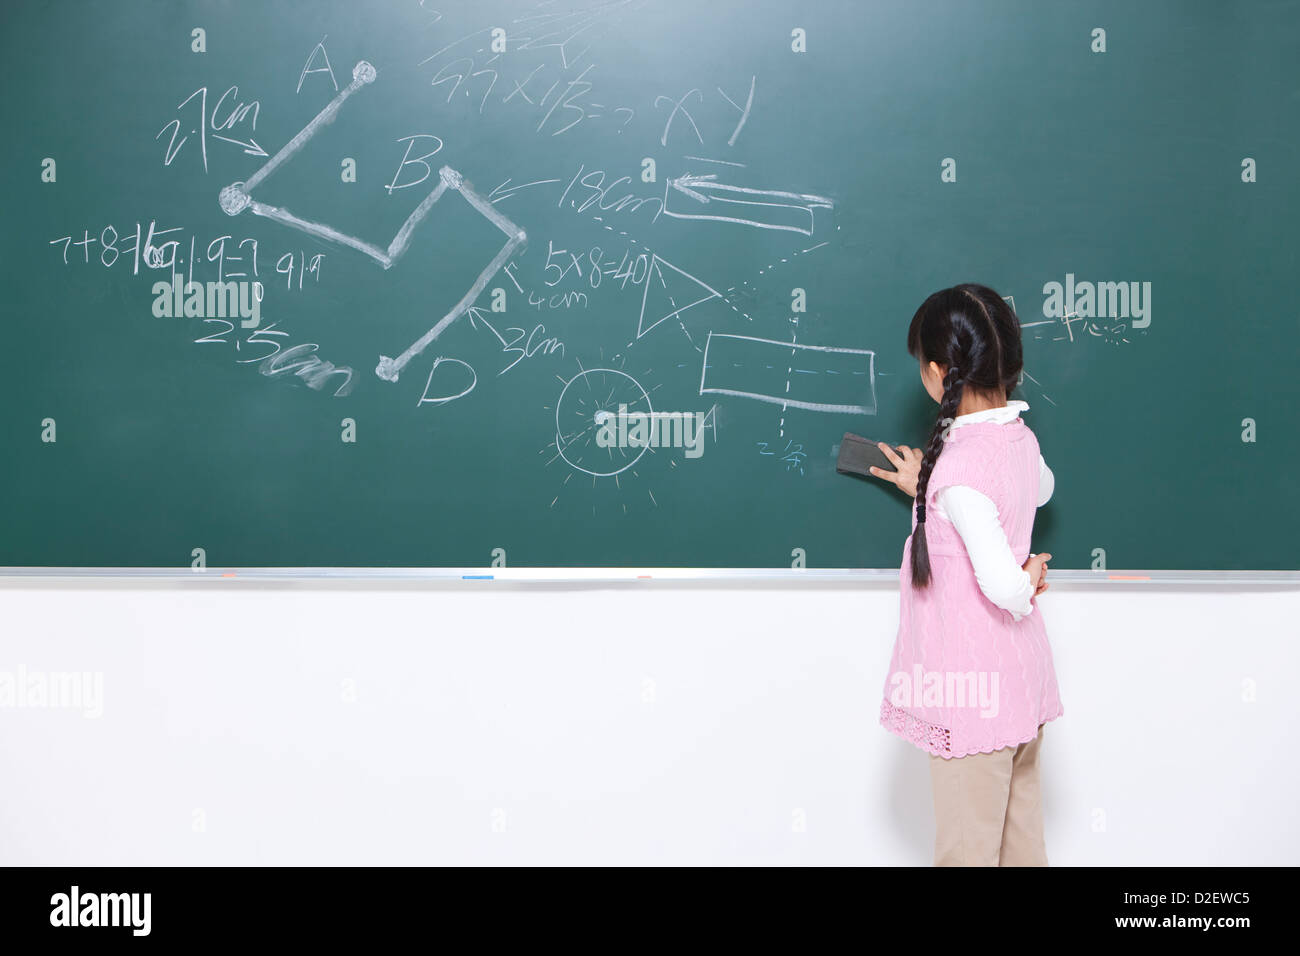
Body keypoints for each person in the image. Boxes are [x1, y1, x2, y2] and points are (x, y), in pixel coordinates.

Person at [870, 283, 1063, 866]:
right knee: (1020, 845)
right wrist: (931, 489)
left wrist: (1026, 575)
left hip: (972, 697)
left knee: (966, 854)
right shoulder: (1021, 440)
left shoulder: (957, 474)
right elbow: (1040, 487)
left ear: (936, 374)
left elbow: (1003, 586)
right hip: (1020, 688)